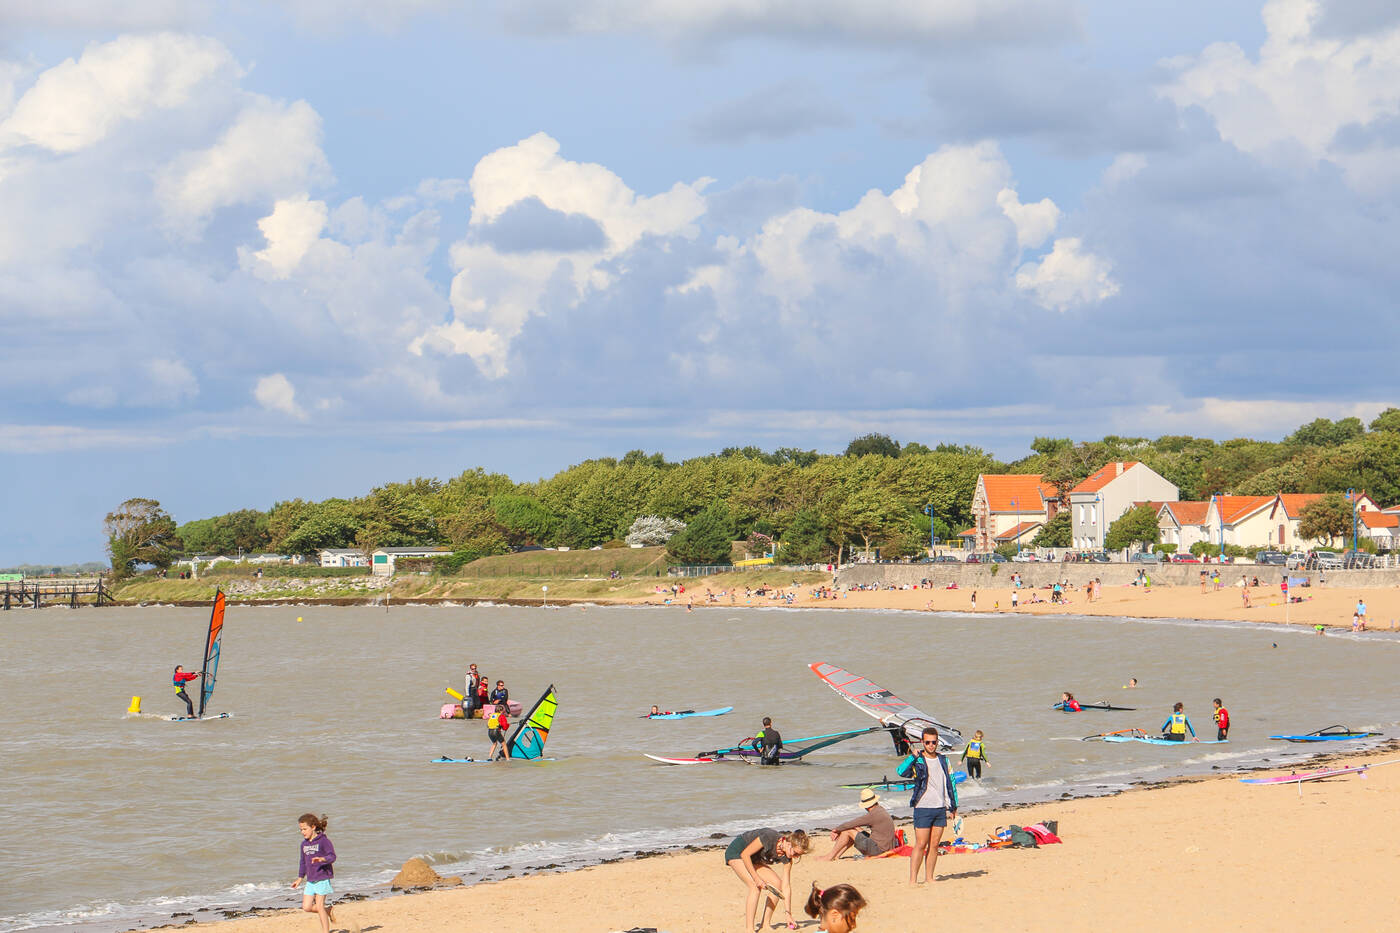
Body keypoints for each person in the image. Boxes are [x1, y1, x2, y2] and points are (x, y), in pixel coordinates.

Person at [896, 725, 958, 885]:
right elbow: (901, 771)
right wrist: (912, 757)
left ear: (938, 742)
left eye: (934, 742)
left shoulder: (944, 760)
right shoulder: (918, 760)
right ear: (922, 743)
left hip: (939, 808)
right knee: (921, 844)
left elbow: (951, 783)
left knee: (934, 845)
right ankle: (913, 880)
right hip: (922, 807)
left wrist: (953, 806)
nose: (931, 745)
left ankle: (929, 878)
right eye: (927, 742)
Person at [724, 828, 810, 932]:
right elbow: (745, 854)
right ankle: (749, 929)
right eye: (795, 853)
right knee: (755, 887)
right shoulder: (769, 837)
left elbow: (786, 886)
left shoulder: (787, 859)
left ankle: (765, 925)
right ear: (788, 843)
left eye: (798, 855)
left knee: (778, 884)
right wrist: (756, 878)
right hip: (737, 852)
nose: (796, 857)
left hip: (753, 859)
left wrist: (788, 914)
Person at [819, 788, 895, 861]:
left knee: (848, 831)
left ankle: (830, 856)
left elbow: (850, 824)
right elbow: (854, 825)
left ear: (866, 806)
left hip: (878, 850)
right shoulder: (880, 810)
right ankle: (837, 856)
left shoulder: (873, 814)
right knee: (855, 828)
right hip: (885, 847)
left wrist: (836, 830)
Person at [292, 813, 336, 933]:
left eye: (305, 829)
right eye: (301, 829)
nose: (302, 832)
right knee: (306, 907)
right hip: (311, 880)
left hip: (322, 878)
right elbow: (302, 862)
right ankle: (327, 911)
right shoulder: (304, 844)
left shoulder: (323, 841)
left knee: (319, 905)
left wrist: (322, 859)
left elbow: (332, 856)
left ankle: (326, 931)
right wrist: (300, 878)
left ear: (313, 827)